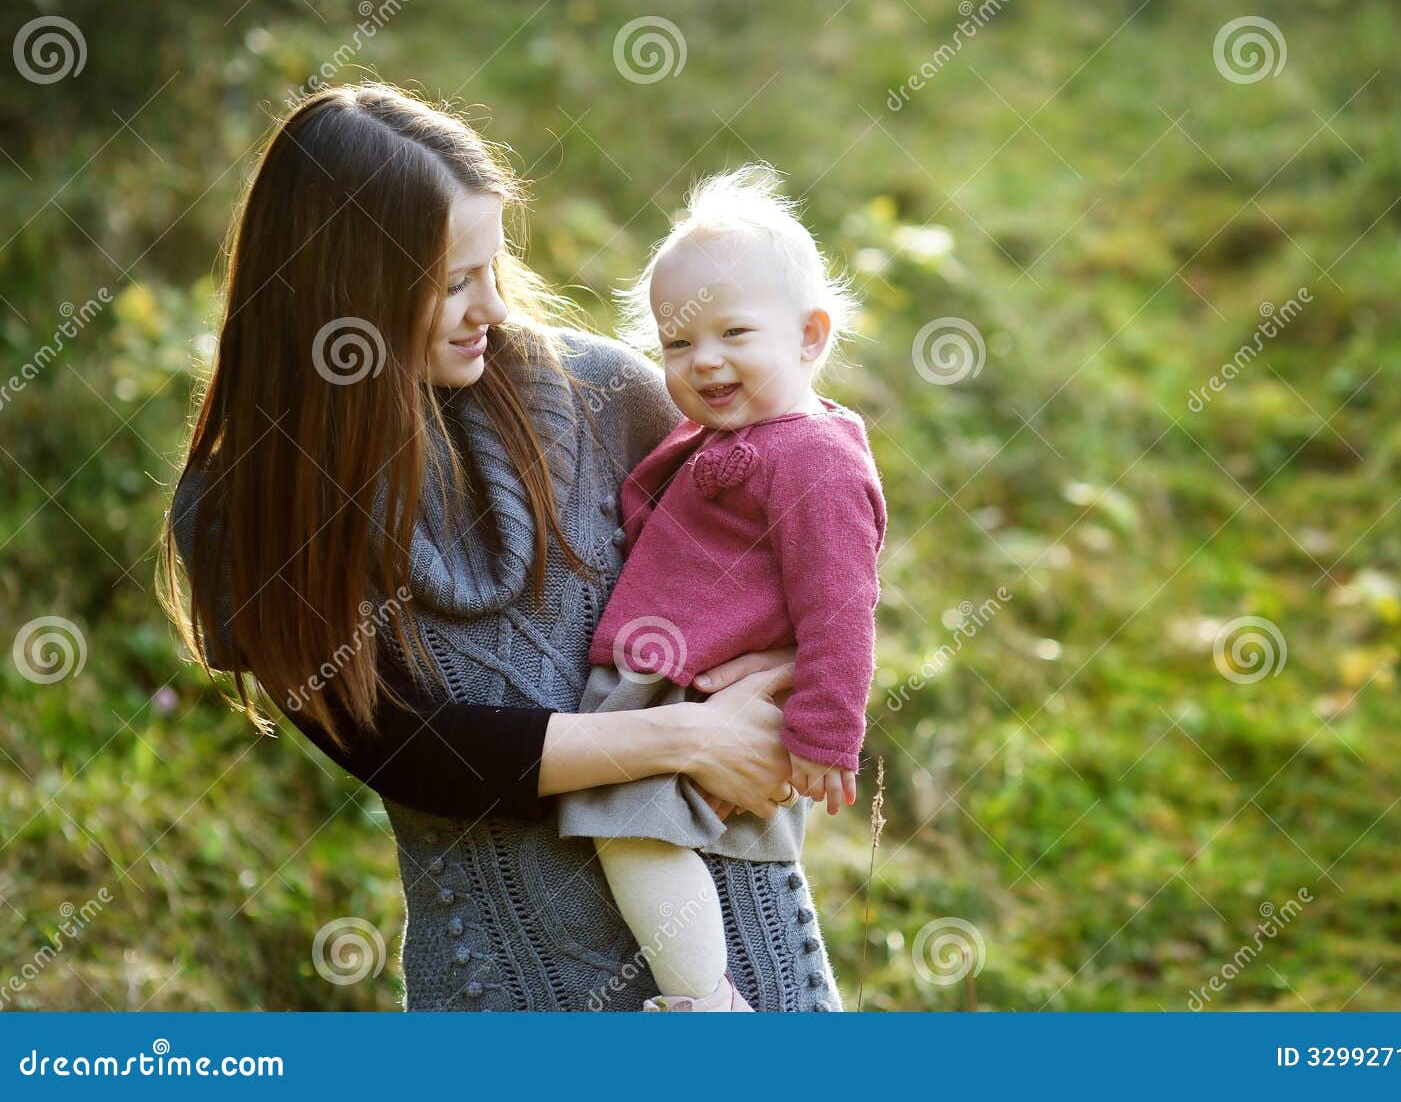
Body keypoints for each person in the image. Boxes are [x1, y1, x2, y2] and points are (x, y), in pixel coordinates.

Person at [161, 82, 843, 1010]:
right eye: (448, 282)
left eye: (491, 264)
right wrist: (687, 735)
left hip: (745, 960)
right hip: (511, 984)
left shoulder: (606, 397)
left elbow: (816, 543)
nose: (491, 304)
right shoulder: (247, 511)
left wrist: (783, 667)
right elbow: (408, 750)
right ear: (343, 291)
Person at [556, 166, 886, 1010]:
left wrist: (823, 733)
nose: (704, 361)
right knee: (630, 834)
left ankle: (705, 1001)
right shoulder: (732, 435)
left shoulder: (812, 455)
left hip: (695, 684)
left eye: (734, 332)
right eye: (676, 343)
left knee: (630, 830)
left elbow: (841, 605)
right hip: (670, 677)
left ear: (810, 336)